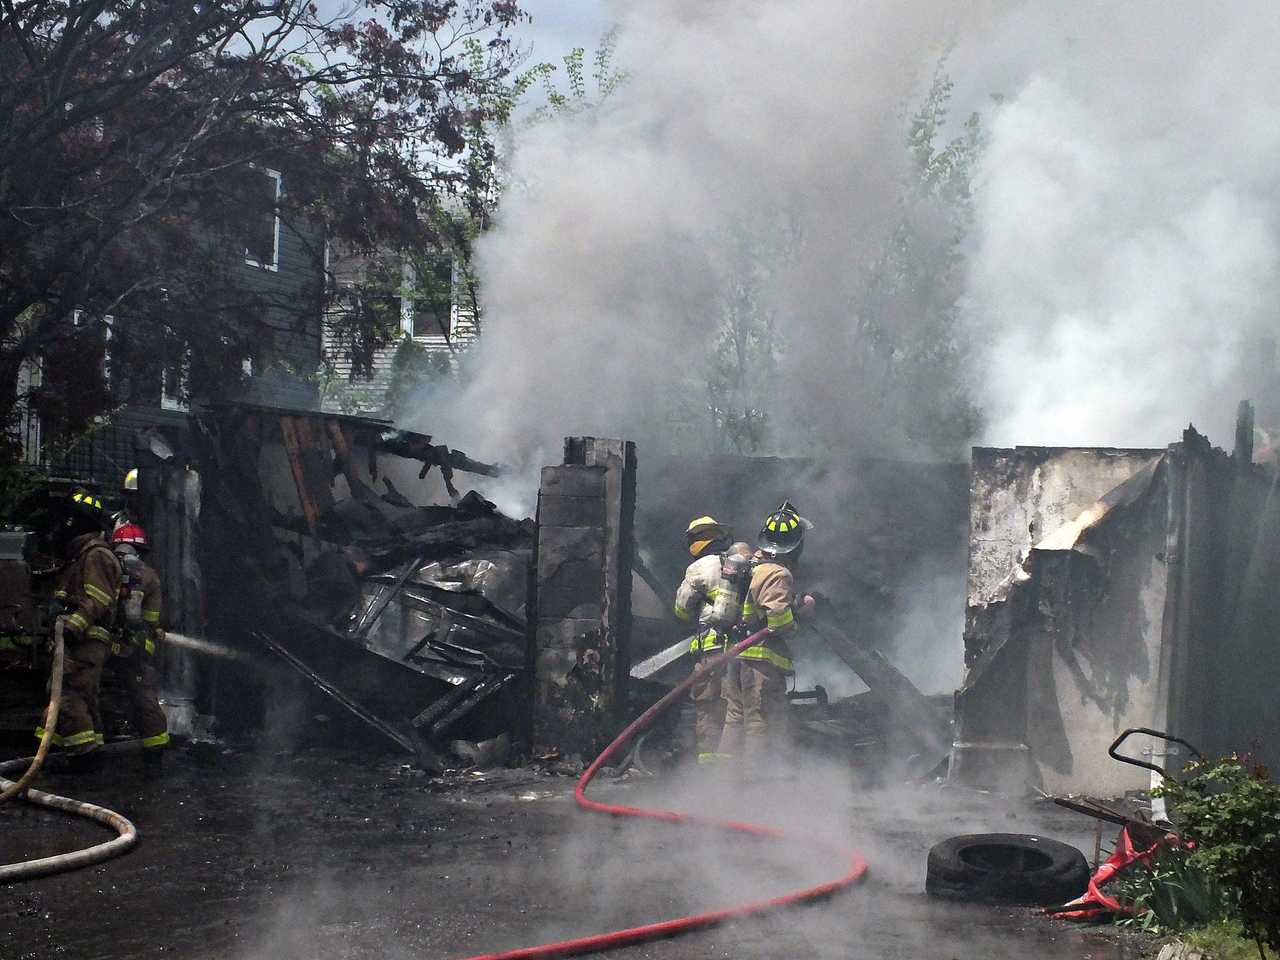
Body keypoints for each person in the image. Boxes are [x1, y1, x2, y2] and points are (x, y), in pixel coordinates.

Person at [718, 500, 814, 772]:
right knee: (758, 718)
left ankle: (723, 777)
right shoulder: (778, 573)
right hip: (759, 659)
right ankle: (754, 778)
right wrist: (799, 615)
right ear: (795, 546)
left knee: (734, 717)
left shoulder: (752, 565)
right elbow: (778, 621)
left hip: (736, 654)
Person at [35, 490, 122, 757]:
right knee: (81, 697)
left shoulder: (96, 555)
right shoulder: (80, 556)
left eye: (68, 520)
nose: (63, 526)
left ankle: (84, 754)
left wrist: (73, 625)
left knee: (68, 696)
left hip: (85, 639)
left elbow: (98, 598)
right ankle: (67, 751)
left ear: (79, 523)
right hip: (78, 640)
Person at [672, 517, 753, 763]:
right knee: (737, 709)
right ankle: (736, 763)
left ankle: (708, 766)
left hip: (711, 649)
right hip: (743, 648)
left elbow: (682, 608)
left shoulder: (698, 568)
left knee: (707, 706)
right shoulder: (742, 564)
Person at [107, 523, 170, 762]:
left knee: (83, 688)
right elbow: (153, 620)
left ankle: (86, 753)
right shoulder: (150, 576)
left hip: (109, 642)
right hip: (134, 648)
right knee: (143, 696)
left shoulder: (106, 566)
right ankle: (154, 751)